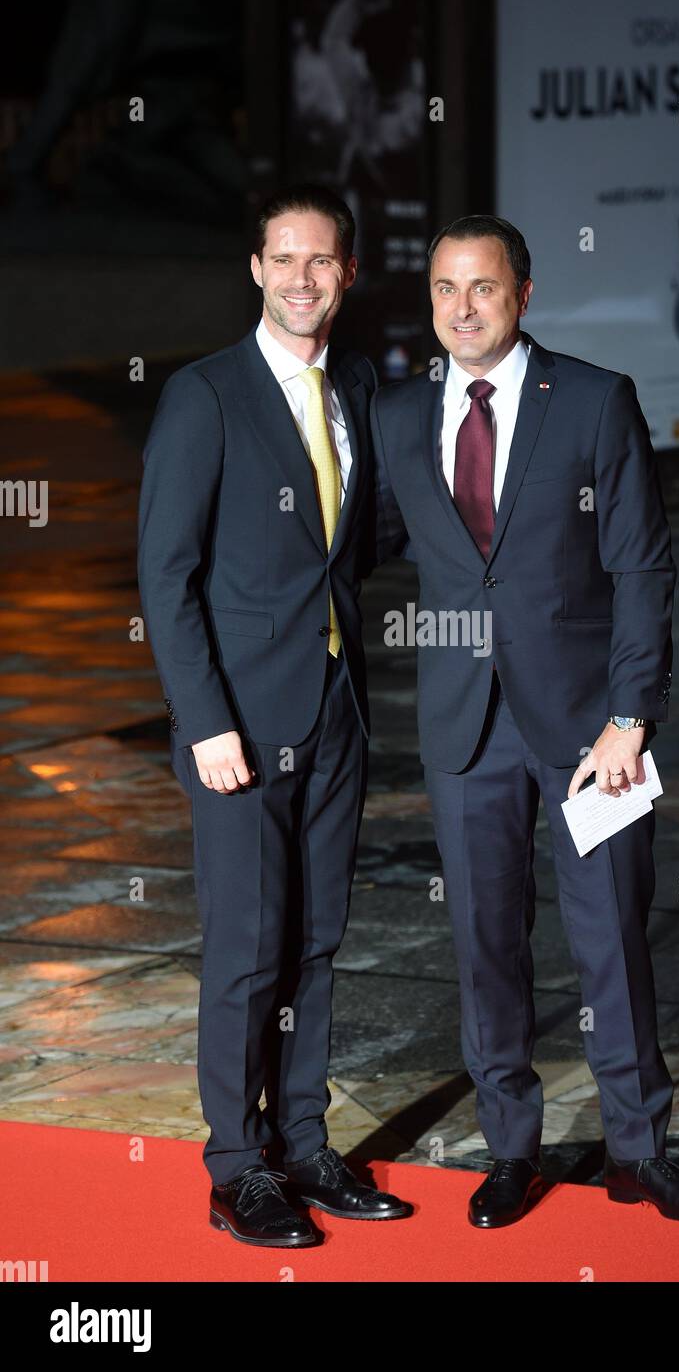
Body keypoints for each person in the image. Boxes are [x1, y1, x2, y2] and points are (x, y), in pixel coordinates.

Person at [370, 213, 679, 1228]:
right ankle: (510, 1149)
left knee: (611, 933)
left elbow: (642, 566)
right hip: (461, 724)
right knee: (485, 940)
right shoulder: (400, 417)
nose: (463, 307)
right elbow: (369, 542)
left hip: (589, 728)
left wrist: (632, 715)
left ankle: (639, 1149)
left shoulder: (592, 399)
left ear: (524, 294)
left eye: (483, 287)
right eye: (445, 288)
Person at [138, 185, 410, 1247]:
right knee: (248, 948)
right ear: (256, 268)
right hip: (238, 727)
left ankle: (304, 1142)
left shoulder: (352, 383)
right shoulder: (204, 397)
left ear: (346, 272)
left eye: (324, 261)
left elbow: (357, 545)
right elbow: (166, 575)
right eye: (284, 260)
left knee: (319, 941)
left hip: (335, 710)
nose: (304, 279)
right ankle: (235, 1166)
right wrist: (204, 718)